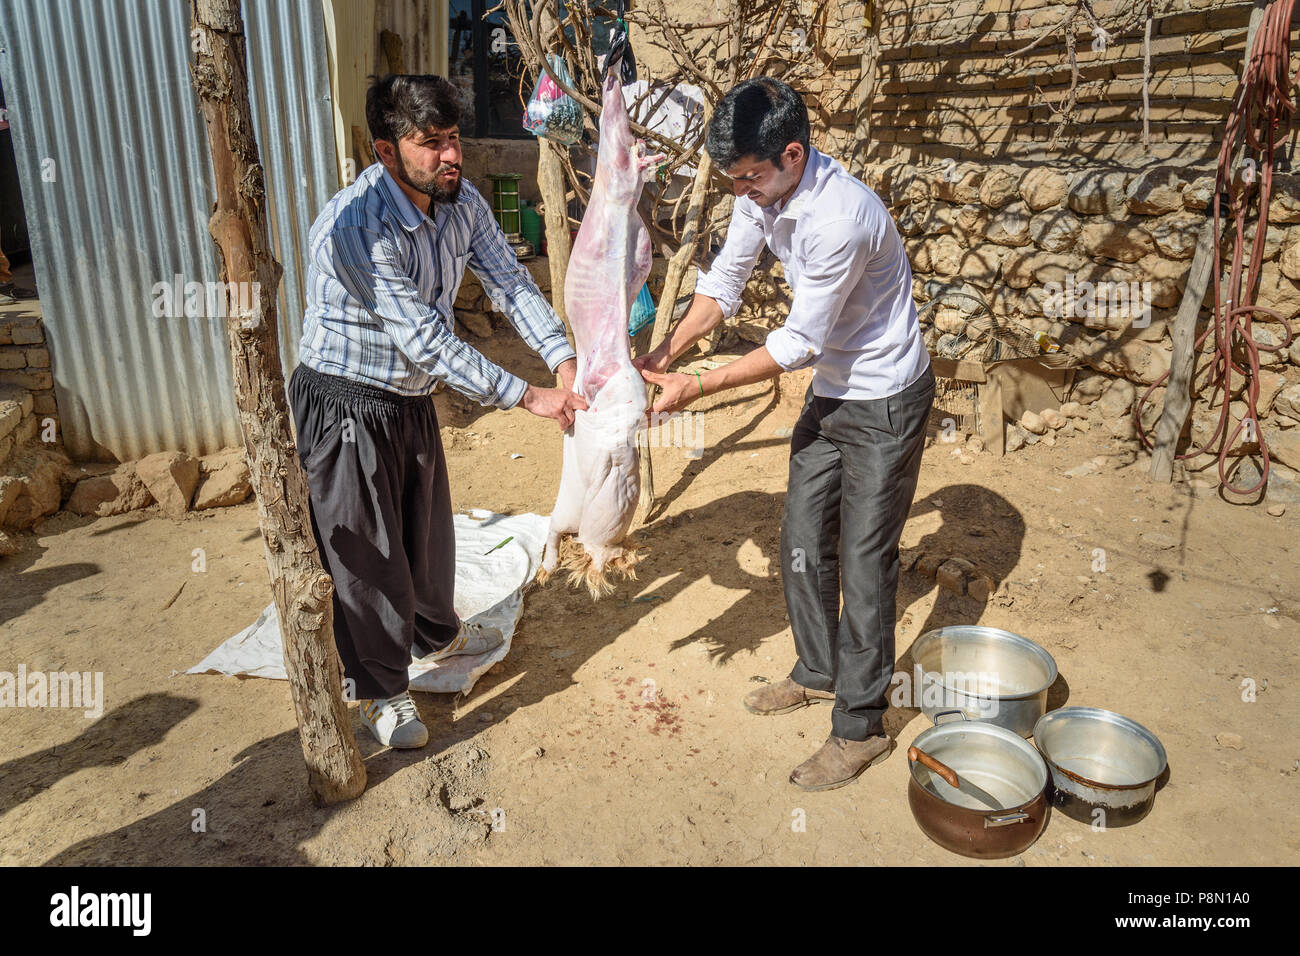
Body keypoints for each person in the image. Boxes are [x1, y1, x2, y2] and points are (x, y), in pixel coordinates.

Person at [634, 77, 934, 791]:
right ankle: (821, 669)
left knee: (865, 563)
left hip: (885, 399)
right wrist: (665, 354)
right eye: (734, 180)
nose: (742, 193)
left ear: (793, 155)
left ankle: (860, 729)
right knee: (801, 539)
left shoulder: (841, 218)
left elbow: (797, 343)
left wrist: (698, 389)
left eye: (750, 178)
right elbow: (724, 282)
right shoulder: (760, 194)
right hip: (835, 394)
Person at [290, 74, 587, 749]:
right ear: (386, 152)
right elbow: (425, 336)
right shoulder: (358, 227)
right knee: (370, 559)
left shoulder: (462, 200)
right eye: (431, 144)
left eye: (453, 139)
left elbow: (510, 280)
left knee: (426, 545)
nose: (451, 156)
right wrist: (530, 395)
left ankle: (427, 638)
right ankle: (380, 691)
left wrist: (562, 361)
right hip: (346, 402)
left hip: (411, 396)